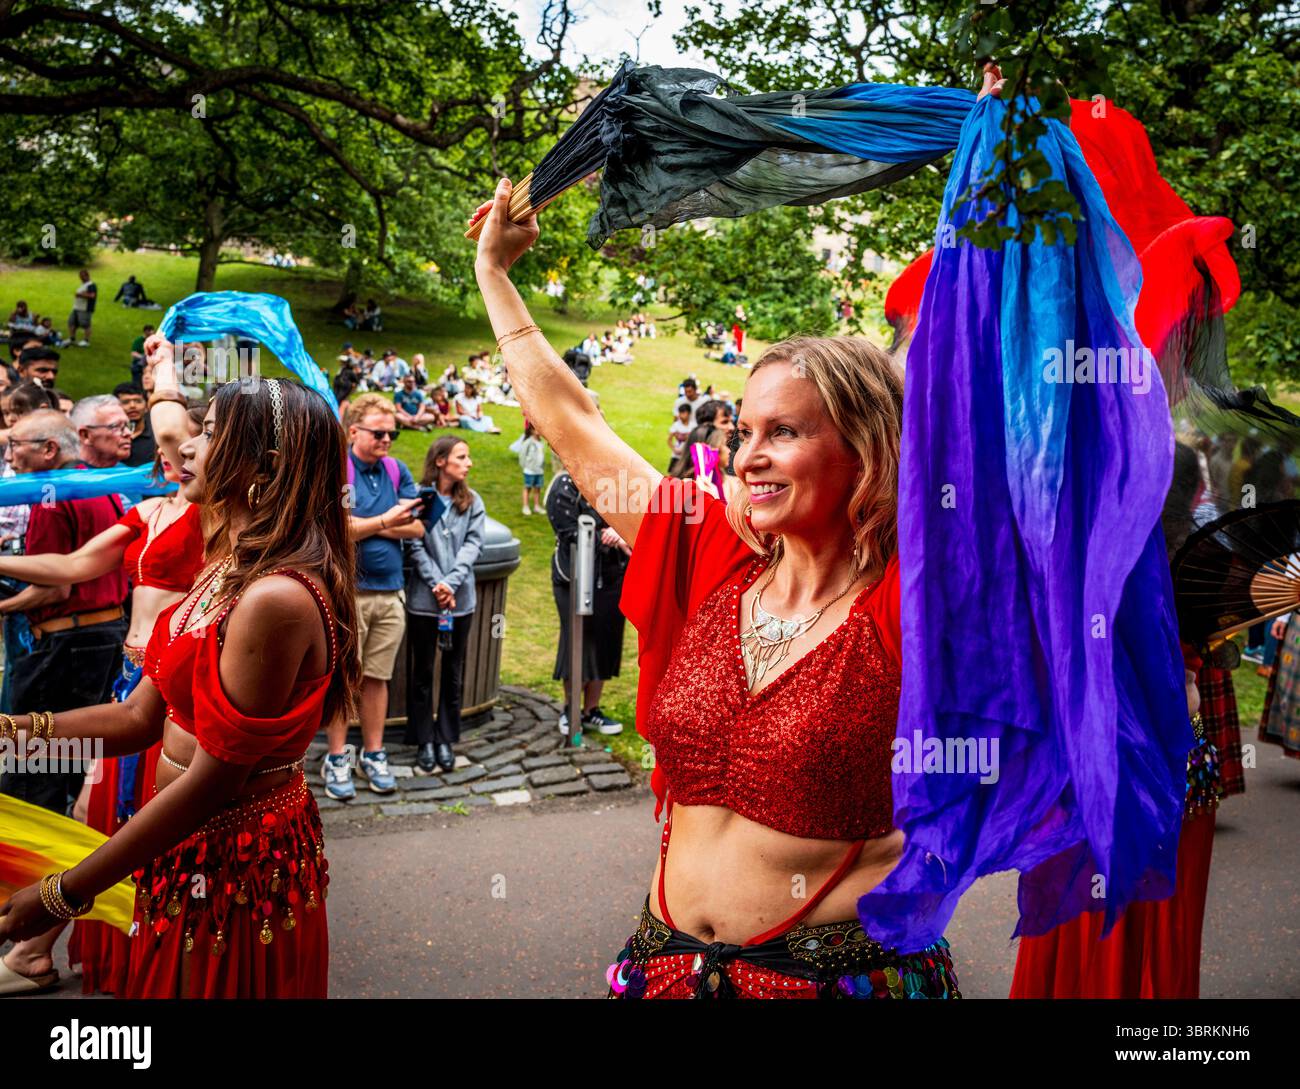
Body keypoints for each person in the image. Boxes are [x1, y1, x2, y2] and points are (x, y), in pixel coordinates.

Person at [470, 180, 962, 999]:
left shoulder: (911, 604)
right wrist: (495, 275)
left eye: (786, 432)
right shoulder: (712, 557)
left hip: (834, 984)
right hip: (664, 970)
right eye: (745, 432)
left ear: (867, 450)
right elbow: (572, 424)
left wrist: (987, 196)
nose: (746, 457)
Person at [0, 366, 358, 999]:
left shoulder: (275, 597)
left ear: (263, 464)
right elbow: (139, 719)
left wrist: (64, 893)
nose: (185, 446)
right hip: (185, 847)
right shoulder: (226, 566)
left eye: (209, 433)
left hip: (235, 860)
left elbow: (211, 783)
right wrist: (12, 735)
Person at [0, 389, 204, 996]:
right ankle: (37, 950)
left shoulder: (210, 513)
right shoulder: (147, 513)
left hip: (170, 682)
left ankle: (44, 951)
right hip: (126, 675)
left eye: (196, 441)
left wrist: (163, 374)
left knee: (142, 819)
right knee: (99, 811)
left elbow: (168, 426)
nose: (178, 451)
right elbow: (70, 567)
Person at [0, 410, 129, 994]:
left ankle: (26, 933)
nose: (11, 457)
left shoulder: (54, 499)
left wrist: (1, 607)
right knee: (69, 780)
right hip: (102, 640)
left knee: (36, 782)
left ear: (50, 450)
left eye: (17, 445)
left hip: (65, 644)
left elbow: (56, 583)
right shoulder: (107, 492)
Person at [320, 394, 423, 800]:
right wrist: (384, 520)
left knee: (377, 677)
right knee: (344, 678)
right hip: (348, 593)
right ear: (353, 432)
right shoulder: (335, 470)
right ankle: (337, 757)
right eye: (379, 433)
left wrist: (364, 525)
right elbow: (332, 529)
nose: (387, 440)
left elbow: (417, 529)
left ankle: (374, 752)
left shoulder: (397, 470)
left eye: (392, 433)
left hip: (390, 591)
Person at [405, 436, 485, 774]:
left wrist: (450, 583)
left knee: (453, 672)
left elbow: (473, 543)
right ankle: (423, 738)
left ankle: (445, 738)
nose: (468, 463)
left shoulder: (472, 501)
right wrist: (436, 582)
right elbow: (414, 543)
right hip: (425, 601)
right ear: (440, 461)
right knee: (422, 671)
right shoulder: (420, 499)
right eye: (461, 457)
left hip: (460, 601)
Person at [544, 455, 628, 737]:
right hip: (576, 578)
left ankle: (592, 709)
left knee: (605, 639)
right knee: (579, 640)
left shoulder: (613, 485)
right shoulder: (564, 487)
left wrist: (621, 530)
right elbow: (571, 532)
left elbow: (630, 518)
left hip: (612, 575)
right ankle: (572, 708)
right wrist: (605, 530)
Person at [114, 383, 156, 467]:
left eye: (138, 401)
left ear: (147, 406)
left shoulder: (157, 434)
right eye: (125, 402)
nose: (132, 406)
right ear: (115, 407)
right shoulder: (108, 435)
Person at [509, 420, 546, 514]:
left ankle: (537, 506)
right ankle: (525, 506)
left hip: (539, 471)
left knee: (537, 488)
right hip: (529, 471)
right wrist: (526, 466)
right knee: (528, 487)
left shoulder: (541, 442)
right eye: (537, 429)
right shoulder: (528, 442)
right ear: (531, 430)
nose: (539, 431)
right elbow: (522, 455)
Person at [67, 269, 97, 348]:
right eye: (80, 276)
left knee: (85, 324)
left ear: (87, 276)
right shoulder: (83, 285)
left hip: (85, 308)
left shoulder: (91, 285)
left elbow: (92, 296)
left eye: (83, 276)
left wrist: (80, 295)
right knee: (71, 322)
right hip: (77, 307)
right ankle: (72, 338)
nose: (81, 278)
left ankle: (86, 341)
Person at [667, 402, 694, 474]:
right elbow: (669, 440)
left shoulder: (693, 426)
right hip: (676, 455)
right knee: (673, 473)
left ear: (689, 414)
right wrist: (674, 449)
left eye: (683, 413)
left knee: (685, 474)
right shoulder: (676, 425)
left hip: (687, 455)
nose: (681, 415)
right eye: (680, 413)